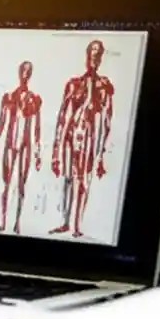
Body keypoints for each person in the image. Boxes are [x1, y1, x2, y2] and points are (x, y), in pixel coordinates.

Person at [50, 40, 115, 238]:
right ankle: (65, 222)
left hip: (89, 137)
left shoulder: (104, 86)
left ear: (101, 57)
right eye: (92, 52)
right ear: (87, 55)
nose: (94, 56)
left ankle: (77, 225)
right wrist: (56, 152)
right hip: (72, 135)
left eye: (98, 53)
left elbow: (107, 120)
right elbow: (64, 117)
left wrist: (102, 155)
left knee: (83, 180)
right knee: (69, 178)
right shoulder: (74, 84)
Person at [0, 61, 43, 234]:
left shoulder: (34, 99)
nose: (25, 74)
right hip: (10, 144)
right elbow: (1, 124)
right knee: (7, 182)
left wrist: (38, 153)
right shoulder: (9, 97)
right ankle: (3, 221)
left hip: (25, 146)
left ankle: (17, 222)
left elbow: (37, 128)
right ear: (19, 73)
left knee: (21, 185)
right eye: (23, 71)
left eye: (28, 71)